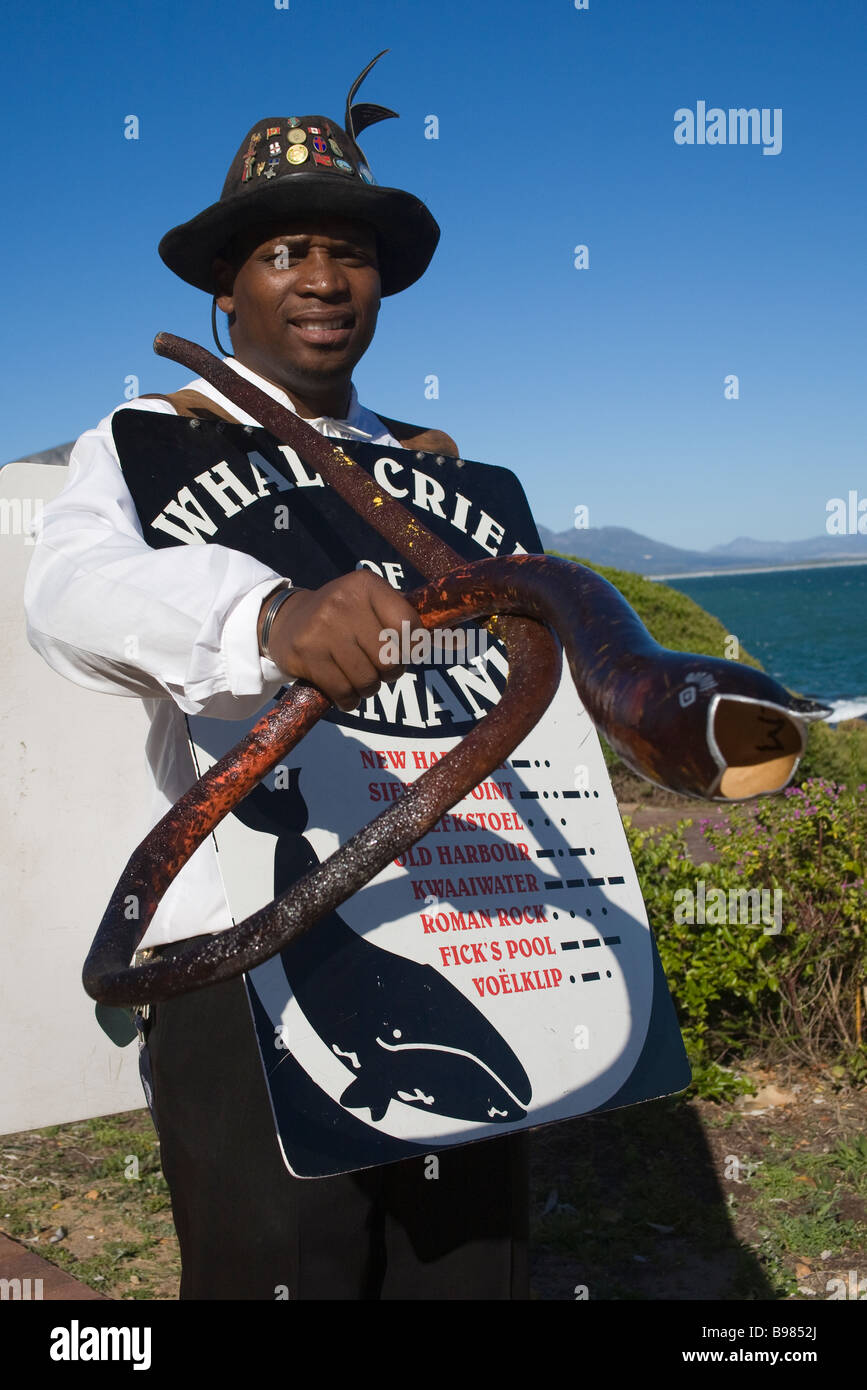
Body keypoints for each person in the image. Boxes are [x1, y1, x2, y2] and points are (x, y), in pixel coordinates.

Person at [24, 55, 533, 1300]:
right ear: (226, 284)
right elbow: (67, 598)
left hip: (470, 934)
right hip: (242, 951)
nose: (322, 279)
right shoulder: (144, 441)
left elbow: (532, 670)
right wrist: (267, 616)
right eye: (284, 251)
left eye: (347, 252)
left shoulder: (462, 482)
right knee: (276, 1277)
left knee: (467, 1273)